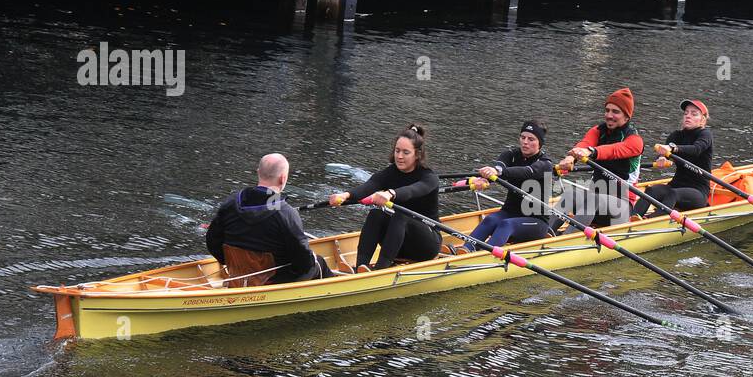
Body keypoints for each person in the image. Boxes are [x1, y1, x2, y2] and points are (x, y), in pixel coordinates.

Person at [206, 153, 333, 286]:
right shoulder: (286, 213)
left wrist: (232, 263)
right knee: (317, 262)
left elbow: (212, 241)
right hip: (271, 282)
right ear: (283, 178)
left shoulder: (230, 203)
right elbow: (304, 262)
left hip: (237, 275)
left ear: (258, 172)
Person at [329, 124, 440, 270]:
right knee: (376, 214)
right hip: (398, 242)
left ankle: (380, 270)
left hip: (426, 245)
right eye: (397, 151)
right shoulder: (391, 172)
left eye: (406, 152)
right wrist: (344, 195)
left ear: (417, 154)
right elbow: (369, 186)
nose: (399, 156)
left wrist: (390, 193)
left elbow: (412, 191)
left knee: (402, 214)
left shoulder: (429, 177)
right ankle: (361, 267)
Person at [550, 87, 643, 233]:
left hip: (621, 209)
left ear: (626, 117)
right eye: (607, 110)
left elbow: (613, 151)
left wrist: (591, 151)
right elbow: (584, 144)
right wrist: (570, 158)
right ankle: (545, 233)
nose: (609, 115)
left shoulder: (634, 140)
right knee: (570, 194)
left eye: (615, 112)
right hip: (595, 203)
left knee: (594, 199)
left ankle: (565, 241)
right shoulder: (598, 131)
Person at [467, 119, 556, 249]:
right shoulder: (511, 155)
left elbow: (527, 172)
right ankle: (466, 250)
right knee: (490, 219)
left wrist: (497, 171)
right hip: (509, 213)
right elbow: (499, 166)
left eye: (531, 139)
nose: (525, 142)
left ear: (540, 143)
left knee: (506, 224)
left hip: (536, 223)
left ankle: (484, 257)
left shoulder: (545, 164)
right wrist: (484, 179)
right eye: (523, 137)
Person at [634, 99, 714, 218]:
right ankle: (630, 219)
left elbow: (696, 149)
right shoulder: (676, 136)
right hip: (676, 185)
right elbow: (664, 154)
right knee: (651, 191)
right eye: (686, 113)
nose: (688, 116)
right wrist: (662, 158)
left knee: (673, 194)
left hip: (698, 191)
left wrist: (674, 148)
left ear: (702, 120)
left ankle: (650, 221)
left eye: (694, 113)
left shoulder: (705, 134)